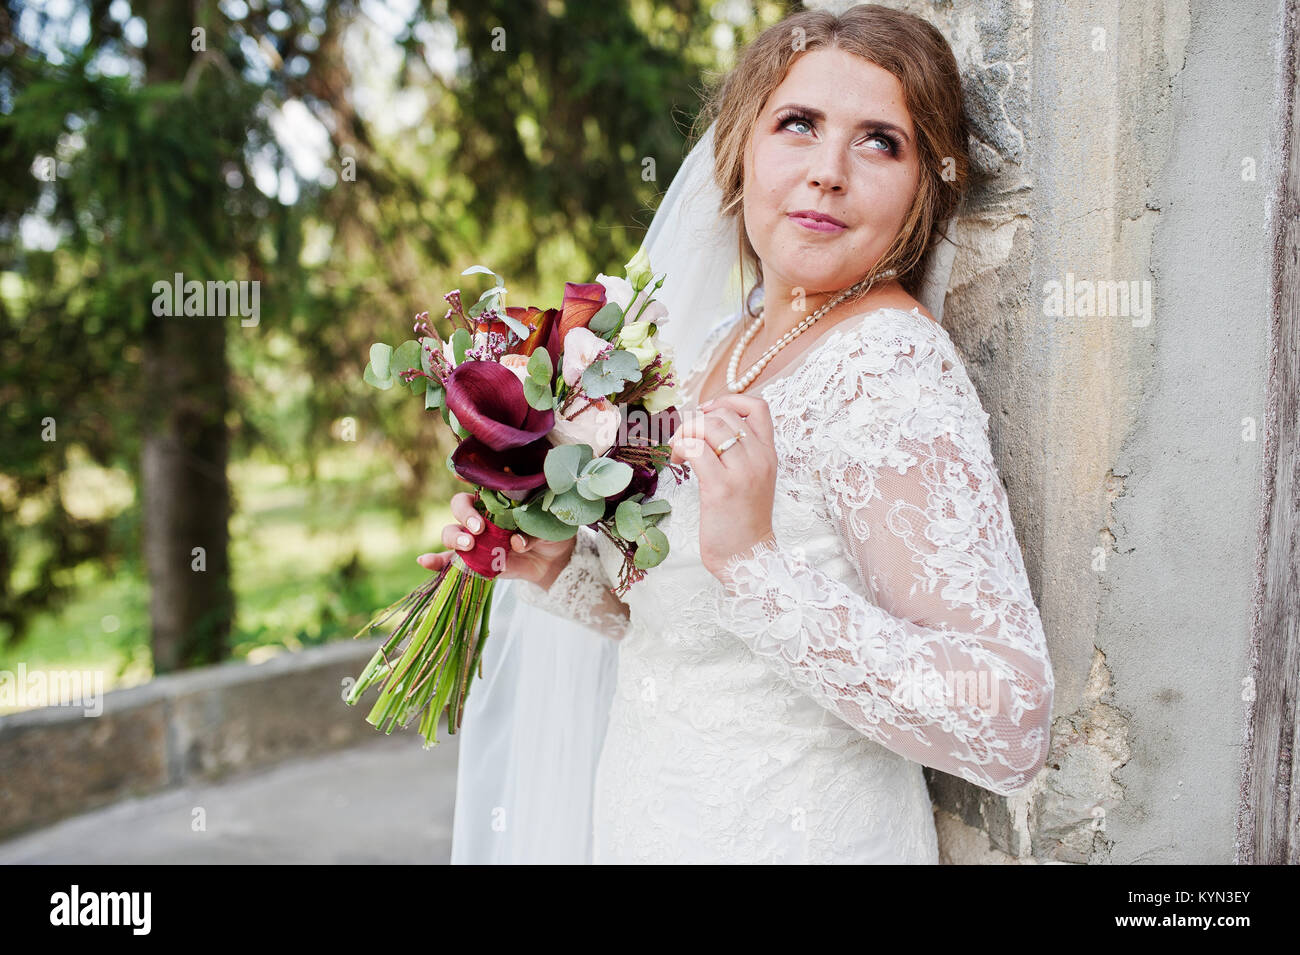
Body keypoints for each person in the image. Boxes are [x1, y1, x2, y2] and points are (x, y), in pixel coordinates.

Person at [426, 3, 1054, 864]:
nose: (828, 170)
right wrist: (557, 568)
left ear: (923, 187)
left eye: (880, 141)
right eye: (798, 124)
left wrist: (755, 562)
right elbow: (693, 638)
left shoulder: (890, 370)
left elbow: (1011, 720)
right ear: (740, 150)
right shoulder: (715, 343)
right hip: (647, 820)